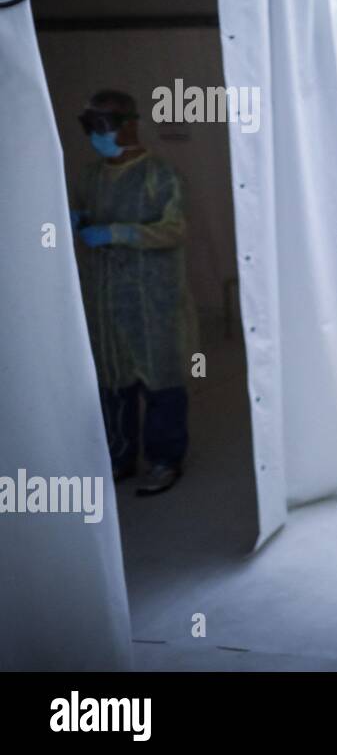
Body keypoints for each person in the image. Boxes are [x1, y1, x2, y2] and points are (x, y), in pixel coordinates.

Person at [72, 90, 195, 495]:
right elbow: (80, 213)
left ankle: (164, 460)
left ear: (130, 124)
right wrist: (74, 220)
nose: (96, 135)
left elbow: (175, 229)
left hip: (152, 301)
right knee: (113, 383)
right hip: (105, 299)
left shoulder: (160, 174)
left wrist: (120, 232)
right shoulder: (90, 175)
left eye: (103, 125)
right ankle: (119, 457)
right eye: (89, 126)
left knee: (161, 380)